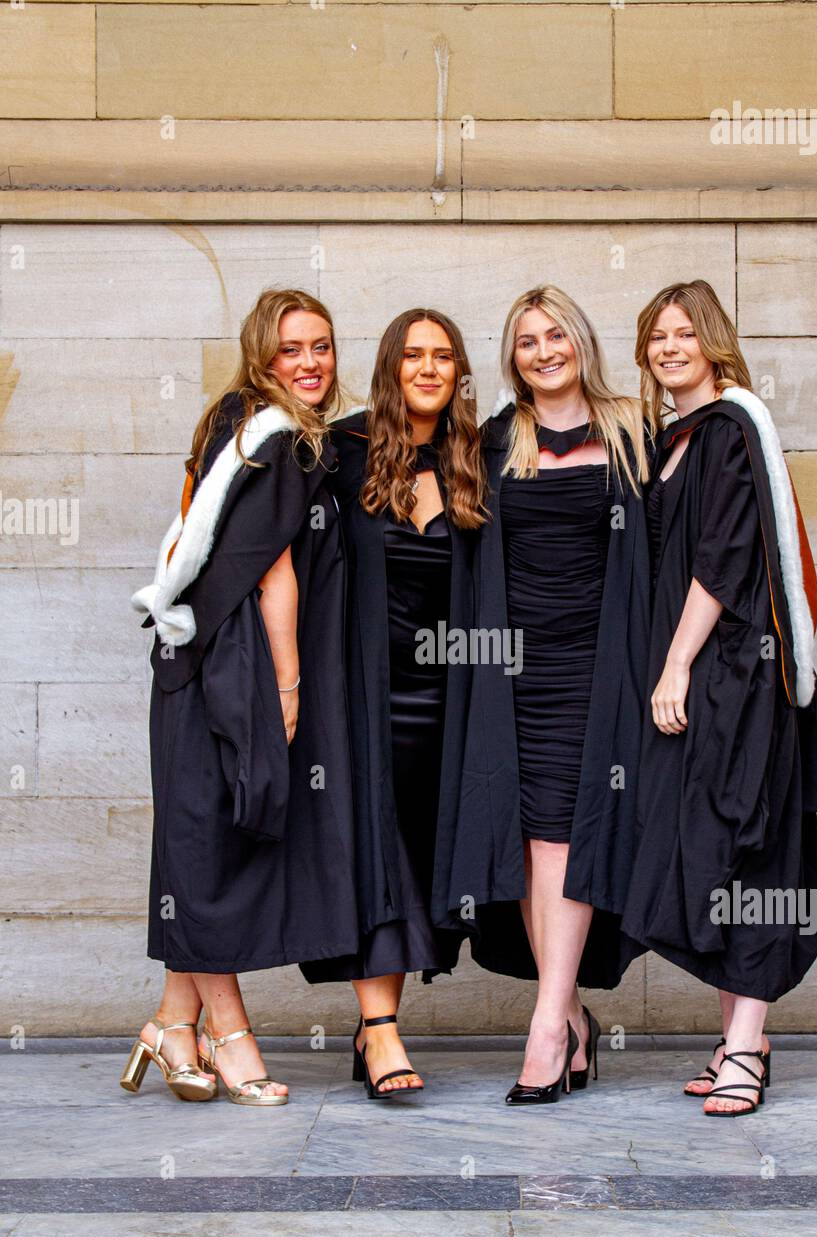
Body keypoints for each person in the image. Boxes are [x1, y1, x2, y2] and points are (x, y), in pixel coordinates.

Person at [626, 280, 817, 1116]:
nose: (668, 347)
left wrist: (673, 665)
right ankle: (743, 1040)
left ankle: (742, 1050)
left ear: (713, 342)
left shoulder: (732, 430)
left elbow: (721, 562)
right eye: (656, 335)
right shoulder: (674, 438)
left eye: (683, 333)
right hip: (709, 677)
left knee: (749, 846)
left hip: (735, 675)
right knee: (711, 850)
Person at [124, 289, 357, 1106]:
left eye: (321, 346)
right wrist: (288, 686)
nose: (310, 363)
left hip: (195, 659)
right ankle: (229, 1034)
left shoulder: (238, 425)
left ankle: (170, 1024)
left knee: (204, 842)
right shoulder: (271, 435)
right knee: (209, 850)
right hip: (229, 668)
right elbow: (273, 570)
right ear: (262, 356)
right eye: (291, 348)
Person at [450, 285, 651, 1105]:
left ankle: (548, 1026)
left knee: (572, 834)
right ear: (512, 357)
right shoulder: (496, 440)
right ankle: (562, 1016)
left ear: (580, 342)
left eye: (555, 334)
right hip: (514, 674)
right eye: (526, 340)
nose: (543, 350)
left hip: (601, 670)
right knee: (536, 842)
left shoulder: (636, 429)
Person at [299, 309, 486, 1099]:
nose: (428, 368)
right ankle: (380, 1032)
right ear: (389, 366)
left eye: (443, 356)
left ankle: (376, 1026)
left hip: (452, 699)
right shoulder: (338, 451)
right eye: (412, 355)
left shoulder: (479, 457)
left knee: (418, 857)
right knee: (374, 852)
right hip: (363, 695)